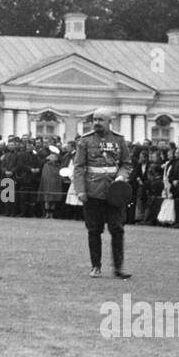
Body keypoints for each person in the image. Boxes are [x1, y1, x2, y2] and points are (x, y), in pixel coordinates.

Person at [72, 107, 132, 279]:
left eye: (100, 120)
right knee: (94, 230)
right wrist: (80, 190)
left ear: (109, 122)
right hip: (93, 192)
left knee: (117, 229)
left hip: (115, 193)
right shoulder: (85, 141)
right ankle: (96, 266)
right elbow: (79, 167)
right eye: (95, 119)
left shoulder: (119, 140)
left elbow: (126, 164)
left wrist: (121, 177)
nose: (96, 123)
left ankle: (118, 268)